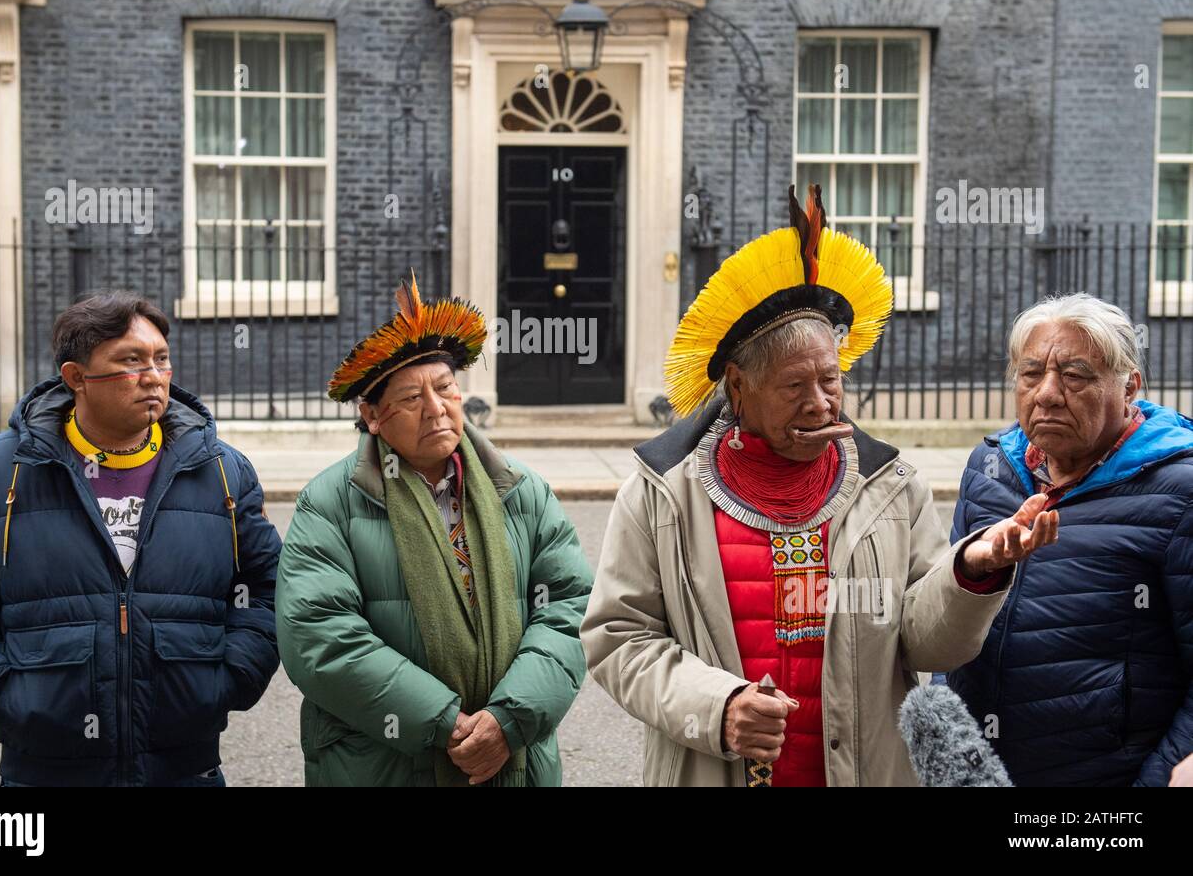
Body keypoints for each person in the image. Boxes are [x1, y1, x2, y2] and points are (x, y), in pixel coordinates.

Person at [581, 186, 1058, 786]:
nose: (820, 403)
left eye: (830, 380)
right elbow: (619, 638)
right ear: (738, 387)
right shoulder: (661, 494)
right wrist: (719, 707)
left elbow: (926, 645)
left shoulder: (892, 488)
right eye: (793, 387)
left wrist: (971, 571)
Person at [0, 291, 282, 786]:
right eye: (131, 361)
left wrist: (228, 679)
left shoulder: (222, 471)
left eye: (162, 359)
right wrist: (2, 693)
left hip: (185, 765)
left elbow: (268, 587)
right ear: (76, 377)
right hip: (43, 769)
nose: (153, 376)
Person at [277, 274, 592, 786]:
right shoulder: (331, 503)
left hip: (513, 757)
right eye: (410, 398)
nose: (436, 408)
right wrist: (445, 725)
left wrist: (508, 721)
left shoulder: (521, 490)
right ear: (372, 416)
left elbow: (570, 607)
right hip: (385, 766)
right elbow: (319, 635)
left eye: (444, 388)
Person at [947, 293, 1193, 786]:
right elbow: (947, 626)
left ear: (1129, 387)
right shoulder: (989, 468)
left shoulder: (1179, 491)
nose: (1047, 394)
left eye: (1075, 376)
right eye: (1031, 373)